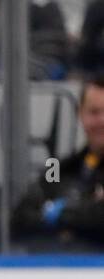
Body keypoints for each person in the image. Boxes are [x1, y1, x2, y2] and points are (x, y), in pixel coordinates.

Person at [13, 75, 104, 253]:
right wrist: (85, 212)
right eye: (94, 112)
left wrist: (59, 213)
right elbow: (20, 218)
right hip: (59, 274)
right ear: (80, 114)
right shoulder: (57, 168)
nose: (102, 121)